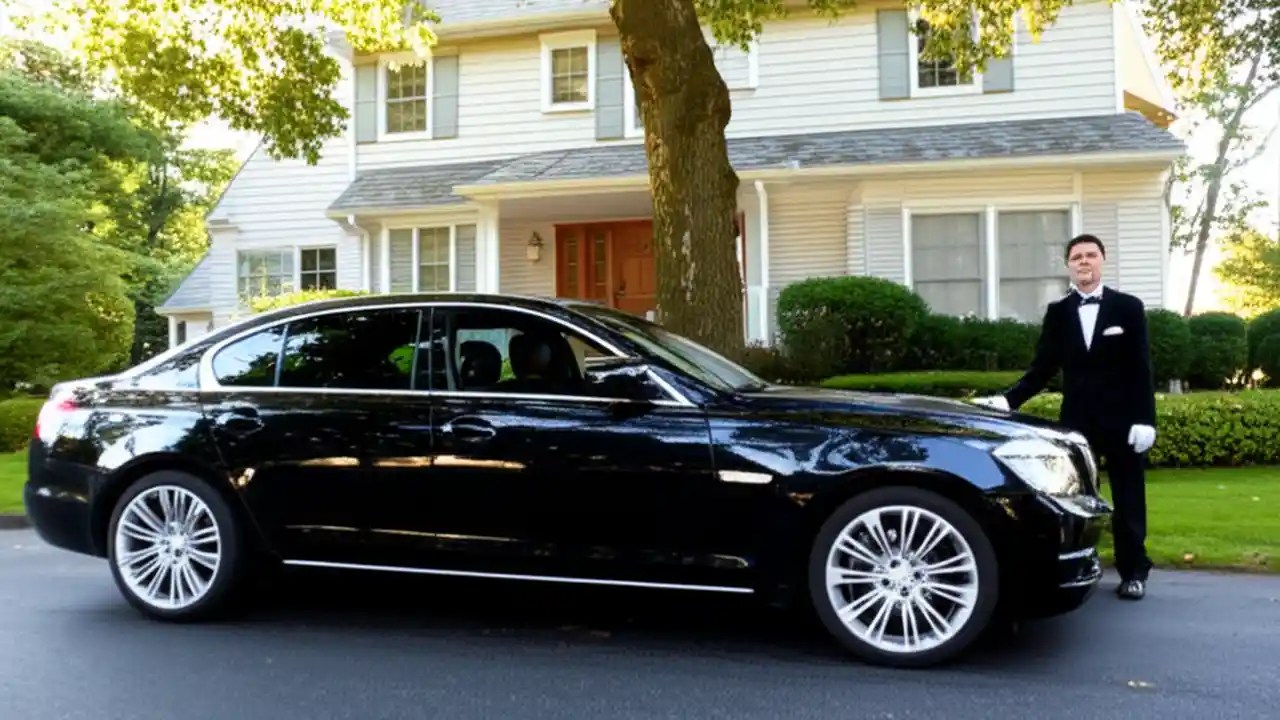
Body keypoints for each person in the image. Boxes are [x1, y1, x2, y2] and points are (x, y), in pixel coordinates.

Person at [972, 233, 1156, 600]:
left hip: (1123, 423)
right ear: (1069, 266)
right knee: (1074, 500)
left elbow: (1141, 368)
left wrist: (1146, 420)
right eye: (1077, 257)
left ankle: (1134, 571)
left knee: (1129, 500)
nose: (1084, 261)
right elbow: (1042, 369)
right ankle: (1079, 568)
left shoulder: (1128, 308)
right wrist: (1008, 400)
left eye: (1090, 255)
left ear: (1102, 260)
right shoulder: (1058, 313)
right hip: (1076, 425)